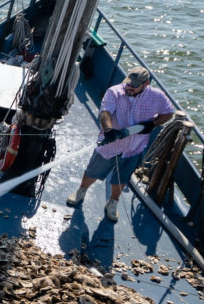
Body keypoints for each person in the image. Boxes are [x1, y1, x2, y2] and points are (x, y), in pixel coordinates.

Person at [66, 66, 174, 222]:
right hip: (111, 144)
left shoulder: (157, 96)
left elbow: (168, 112)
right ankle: (81, 191)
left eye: (135, 86)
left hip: (134, 147)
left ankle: (112, 202)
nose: (130, 87)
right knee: (93, 170)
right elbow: (105, 112)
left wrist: (153, 124)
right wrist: (108, 129)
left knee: (122, 177)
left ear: (146, 84)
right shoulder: (114, 92)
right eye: (129, 83)